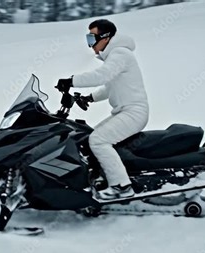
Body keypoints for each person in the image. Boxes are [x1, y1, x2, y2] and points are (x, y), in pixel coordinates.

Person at [56, 19, 149, 200]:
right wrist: (89, 98)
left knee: (98, 140)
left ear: (105, 38)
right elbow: (109, 86)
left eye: (92, 38)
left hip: (133, 113)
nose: (90, 45)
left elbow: (102, 75)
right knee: (90, 136)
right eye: (88, 39)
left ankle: (122, 187)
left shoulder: (120, 54)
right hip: (126, 112)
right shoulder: (117, 55)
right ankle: (101, 179)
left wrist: (71, 80)